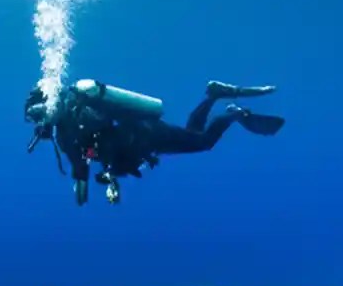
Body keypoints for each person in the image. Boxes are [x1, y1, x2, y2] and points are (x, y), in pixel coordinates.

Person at [25, 79, 285, 205]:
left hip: (148, 136)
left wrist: (84, 186)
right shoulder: (67, 130)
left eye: (37, 114)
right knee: (193, 136)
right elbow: (82, 164)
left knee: (204, 142)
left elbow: (87, 156)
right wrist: (85, 185)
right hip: (147, 141)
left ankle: (233, 113)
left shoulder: (75, 119)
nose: (39, 122)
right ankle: (212, 95)